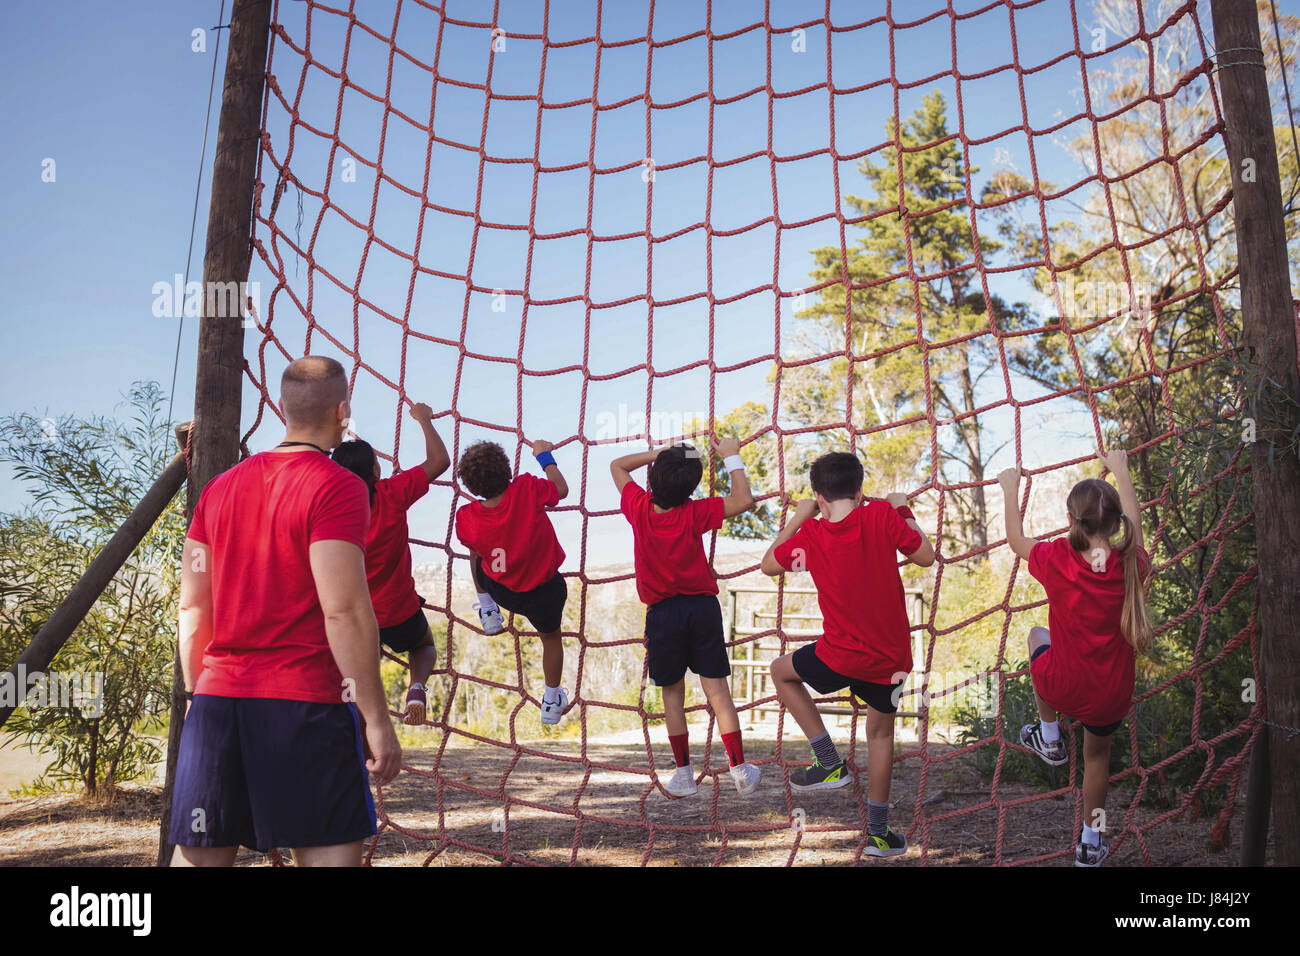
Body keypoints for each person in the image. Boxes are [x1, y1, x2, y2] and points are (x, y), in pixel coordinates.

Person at [170, 355, 401, 867]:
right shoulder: (338, 484)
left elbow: (192, 608)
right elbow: (343, 611)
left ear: (281, 406)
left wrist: (197, 696)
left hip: (217, 703)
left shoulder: (217, 489)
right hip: (305, 704)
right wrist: (377, 717)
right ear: (344, 411)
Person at [760, 451, 935, 858]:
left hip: (838, 656)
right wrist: (901, 507)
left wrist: (800, 517)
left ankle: (829, 761)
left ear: (819, 497)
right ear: (859, 491)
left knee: (780, 671)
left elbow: (769, 564)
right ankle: (877, 835)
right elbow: (926, 556)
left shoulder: (811, 536)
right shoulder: (881, 517)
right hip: (890, 661)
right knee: (880, 736)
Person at [999, 448, 1152, 867]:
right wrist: (1122, 471)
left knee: (1035, 635)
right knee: (1097, 760)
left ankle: (1050, 737)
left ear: (1071, 521)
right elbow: (1135, 529)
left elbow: (1015, 541)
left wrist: (1010, 489)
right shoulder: (1133, 565)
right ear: (1117, 523)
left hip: (1062, 687)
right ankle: (1090, 841)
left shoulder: (1057, 559)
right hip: (1109, 697)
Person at [611, 438, 761, 798]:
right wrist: (731, 455)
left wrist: (659, 453)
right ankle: (739, 769)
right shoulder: (695, 512)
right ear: (691, 489)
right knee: (718, 694)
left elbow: (617, 466)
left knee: (671, 695)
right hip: (701, 609)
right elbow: (743, 500)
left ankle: (682, 774)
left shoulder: (639, 506)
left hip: (662, 614)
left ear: (653, 479)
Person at [331, 401, 450, 725]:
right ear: (375, 471)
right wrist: (424, 419)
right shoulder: (391, 493)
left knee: (356, 676)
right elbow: (440, 461)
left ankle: (362, 733)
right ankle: (416, 687)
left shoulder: (331, 509)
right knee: (424, 646)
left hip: (354, 616)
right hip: (398, 609)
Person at [454, 438, 569, 724]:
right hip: (545, 591)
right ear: (507, 470)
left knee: (476, 551)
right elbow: (561, 489)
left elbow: (478, 543)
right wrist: (544, 456)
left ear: (469, 485)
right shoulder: (527, 488)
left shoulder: (466, 517)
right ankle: (552, 699)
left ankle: (488, 610)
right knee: (551, 639)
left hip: (505, 592)